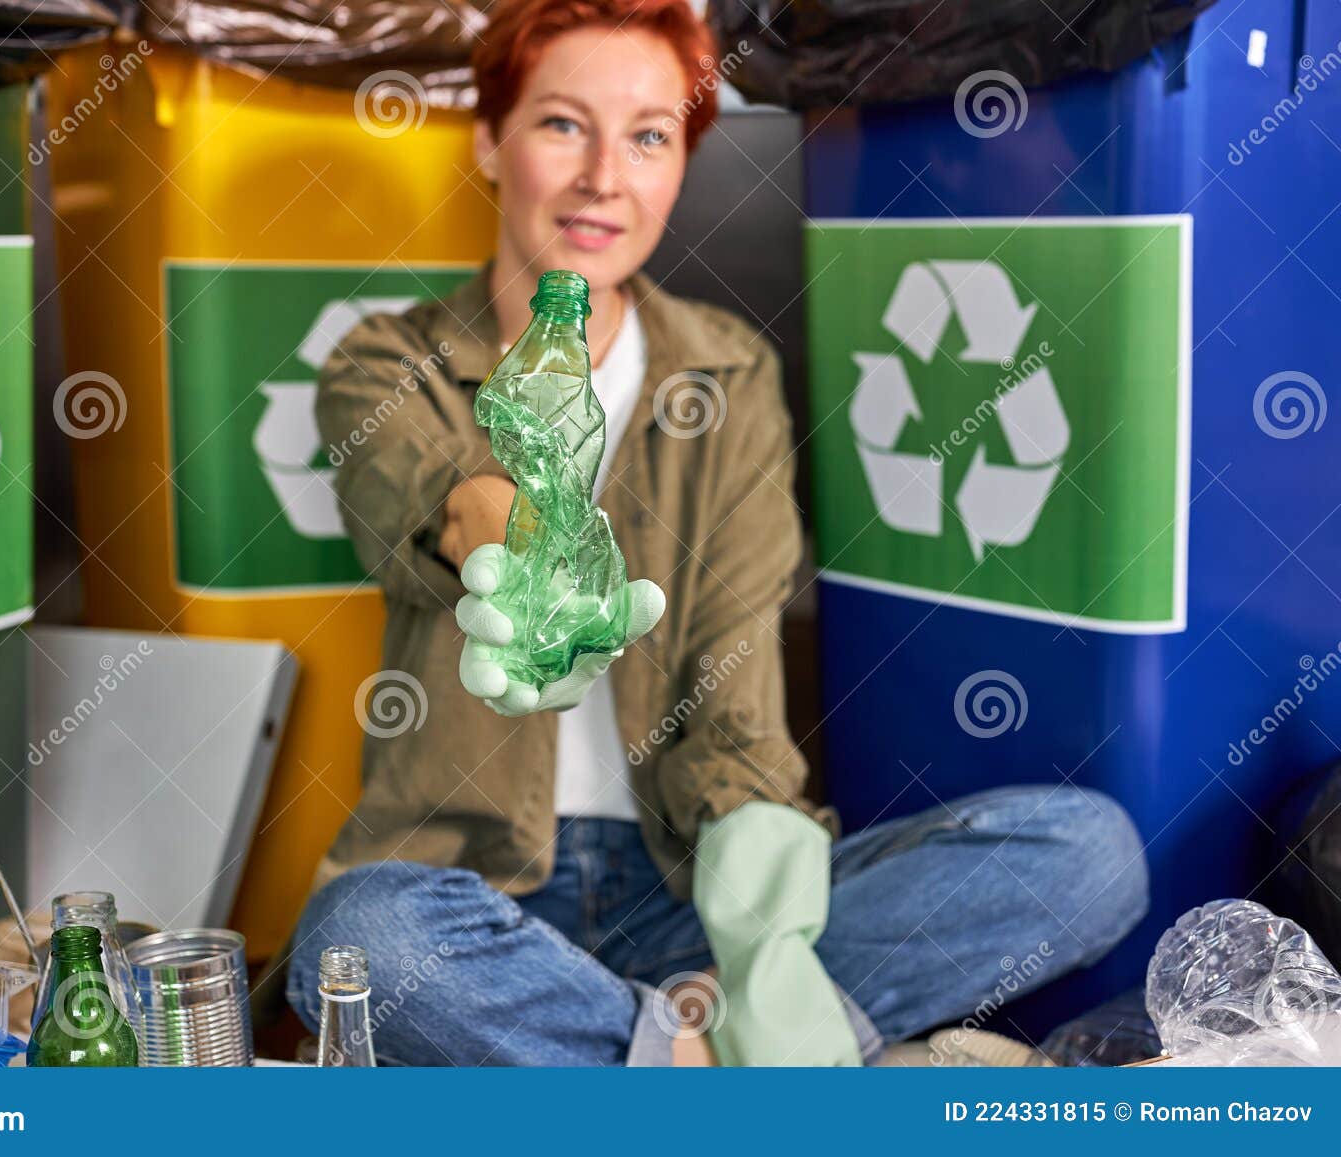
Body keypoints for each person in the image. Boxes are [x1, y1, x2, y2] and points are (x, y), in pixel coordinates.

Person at [286, 0, 1148, 1065]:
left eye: (648, 136)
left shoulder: (726, 370)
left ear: (681, 164)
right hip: (480, 904)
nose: (605, 175)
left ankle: (629, 1051)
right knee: (359, 935)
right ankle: (730, 1057)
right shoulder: (385, 358)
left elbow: (736, 669)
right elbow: (429, 492)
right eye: (562, 125)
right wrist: (509, 542)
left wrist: (760, 916)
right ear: (487, 138)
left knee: (1086, 853)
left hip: (685, 893)